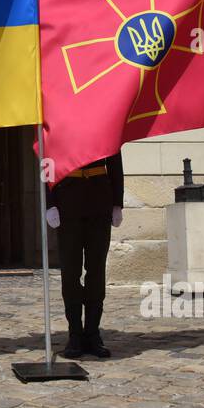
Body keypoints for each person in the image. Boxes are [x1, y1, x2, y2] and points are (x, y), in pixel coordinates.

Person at [46, 152, 124, 358]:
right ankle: (75, 333)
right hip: (67, 202)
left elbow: (114, 160)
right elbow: (48, 161)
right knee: (70, 272)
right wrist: (50, 202)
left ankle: (92, 332)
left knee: (96, 270)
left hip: (99, 200)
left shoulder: (103, 120)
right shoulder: (59, 122)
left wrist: (117, 202)